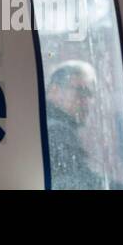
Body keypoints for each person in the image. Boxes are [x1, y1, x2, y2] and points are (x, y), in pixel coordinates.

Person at [45, 60, 104, 190]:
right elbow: (80, 183)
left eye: (90, 95)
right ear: (54, 90)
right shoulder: (56, 130)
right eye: (81, 91)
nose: (87, 102)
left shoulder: (46, 124)